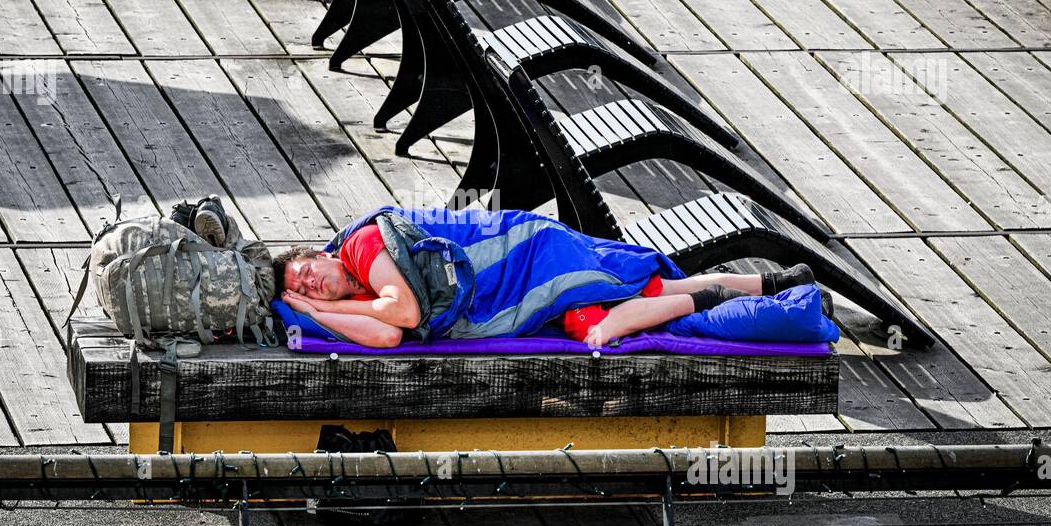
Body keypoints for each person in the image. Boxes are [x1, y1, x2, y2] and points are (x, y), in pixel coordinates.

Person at [273, 207, 819, 349]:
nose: (311, 285)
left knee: (616, 294)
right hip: (520, 278)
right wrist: (321, 314)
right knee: (612, 303)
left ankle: (726, 292)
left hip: (525, 256)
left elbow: (405, 314)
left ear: (321, 254)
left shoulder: (362, 246)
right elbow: (389, 334)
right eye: (300, 290)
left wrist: (325, 313)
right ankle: (771, 285)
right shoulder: (355, 294)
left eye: (306, 271)